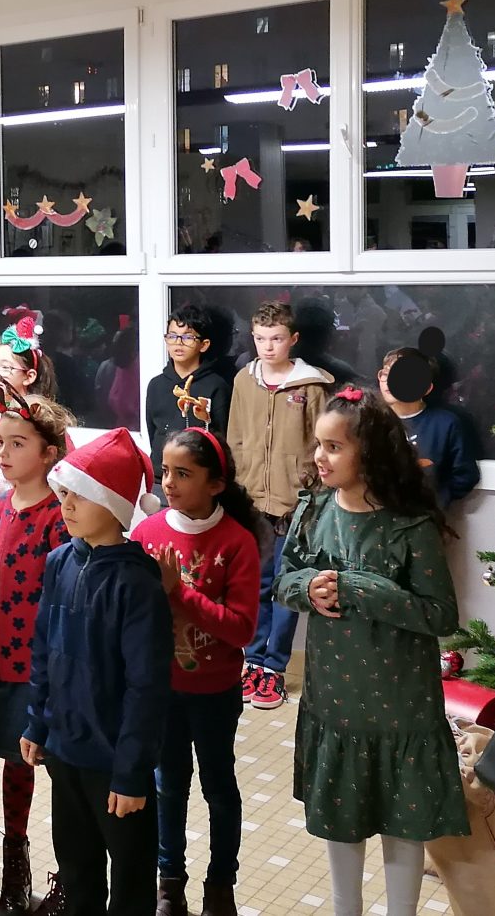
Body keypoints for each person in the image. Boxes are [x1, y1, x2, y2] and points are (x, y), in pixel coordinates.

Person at [274, 386, 468, 916]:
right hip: (335, 699)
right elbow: (284, 579)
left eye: (335, 447)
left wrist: (364, 589)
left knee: (402, 821)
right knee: (343, 813)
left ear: (372, 454)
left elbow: (439, 614)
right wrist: (309, 587)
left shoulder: (410, 523)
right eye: (319, 444)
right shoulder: (314, 509)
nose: (320, 456)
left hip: (400, 705)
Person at [23, 428, 173, 916]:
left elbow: (146, 689)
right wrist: (37, 721)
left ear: (114, 505)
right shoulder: (59, 562)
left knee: (130, 879)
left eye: (80, 496)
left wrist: (131, 775)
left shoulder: (136, 583)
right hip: (65, 751)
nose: (65, 505)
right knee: (77, 867)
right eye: (64, 492)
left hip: (114, 762)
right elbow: (43, 649)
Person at [131, 428, 263, 916]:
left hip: (214, 691)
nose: (170, 482)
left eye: (184, 473)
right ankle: (170, 882)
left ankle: (220, 887)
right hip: (161, 690)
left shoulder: (236, 542)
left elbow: (242, 629)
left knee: (219, 788)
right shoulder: (147, 534)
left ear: (215, 484)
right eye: (165, 471)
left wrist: (178, 590)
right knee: (168, 785)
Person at [0, 396, 74, 916]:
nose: (1, 451)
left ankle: (72, 877)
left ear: (50, 453)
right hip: (1, 669)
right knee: (13, 766)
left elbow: (65, 606)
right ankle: (15, 872)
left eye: (17, 443)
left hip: (45, 675)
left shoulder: (61, 517)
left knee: (63, 775)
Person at [226, 299, 333, 710]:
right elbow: (235, 438)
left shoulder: (312, 385)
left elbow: (320, 444)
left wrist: (312, 495)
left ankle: (274, 666)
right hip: (253, 501)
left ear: (293, 339)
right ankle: (252, 661)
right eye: (260, 338)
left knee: (289, 586)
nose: (267, 347)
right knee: (256, 584)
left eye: (276, 339)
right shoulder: (243, 381)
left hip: (295, 504)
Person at [0, 312, 57, 516]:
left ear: (29, 376)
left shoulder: (41, 419)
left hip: (35, 515)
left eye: (6, 368)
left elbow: (61, 467)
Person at [145, 303, 234, 490]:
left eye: (188, 337)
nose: (179, 342)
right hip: (161, 481)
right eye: (172, 336)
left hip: (200, 483)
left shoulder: (216, 386)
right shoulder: (156, 385)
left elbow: (223, 436)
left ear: (204, 345)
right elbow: (153, 430)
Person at [378, 348, 479, 510]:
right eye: (386, 373)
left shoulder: (445, 423)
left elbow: (465, 475)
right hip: (375, 517)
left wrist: (437, 499)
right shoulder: (372, 419)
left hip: (424, 520)